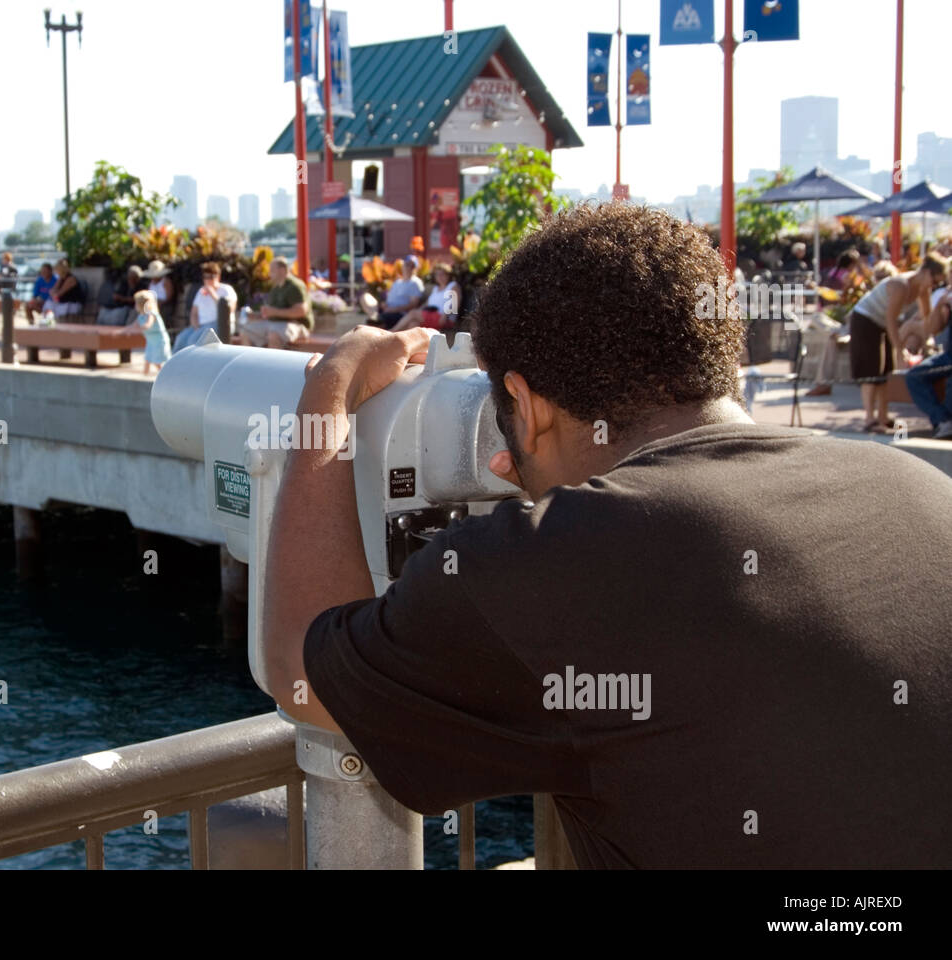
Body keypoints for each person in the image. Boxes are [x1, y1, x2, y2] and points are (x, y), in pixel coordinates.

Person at [262, 201, 952, 868]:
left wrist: (331, 386)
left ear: (526, 409)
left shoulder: (567, 561)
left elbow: (303, 672)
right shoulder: (921, 488)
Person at [848, 252, 947, 432]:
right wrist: (899, 349)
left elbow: (927, 319)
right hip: (865, 319)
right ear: (926, 272)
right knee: (871, 370)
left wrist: (928, 342)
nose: (934, 285)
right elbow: (891, 320)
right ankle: (870, 419)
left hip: (881, 323)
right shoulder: (901, 285)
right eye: (934, 281)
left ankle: (883, 416)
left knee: (887, 370)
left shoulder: (923, 290)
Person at [905, 291, 952, 438]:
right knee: (914, 376)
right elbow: (932, 329)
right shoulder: (946, 295)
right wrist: (940, 305)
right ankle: (943, 420)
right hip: (948, 356)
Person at [238, 259, 313, 348]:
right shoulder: (276, 288)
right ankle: (251, 361)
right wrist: (257, 315)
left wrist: (274, 312)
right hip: (275, 324)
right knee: (245, 331)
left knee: (274, 335)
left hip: (298, 325)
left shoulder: (295, 285)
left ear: (282, 270)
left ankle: (274, 362)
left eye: (272, 270)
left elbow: (301, 311)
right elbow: (271, 313)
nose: (269, 274)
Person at [173, 262, 236, 351]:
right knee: (180, 339)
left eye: (211, 277)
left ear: (218, 277)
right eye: (206, 277)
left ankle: (194, 364)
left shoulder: (226, 289)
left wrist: (212, 293)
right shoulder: (200, 292)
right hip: (201, 326)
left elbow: (229, 309)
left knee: (193, 341)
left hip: (218, 324)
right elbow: (194, 313)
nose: (208, 280)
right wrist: (195, 326)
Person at [391, 263, 460, 331]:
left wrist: (444, 317)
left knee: (413, 313)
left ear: (448, 275)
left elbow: (454, 304)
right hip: (431, 315)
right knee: (413, 324)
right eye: (437, 274)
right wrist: (419, 310)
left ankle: (391, 332)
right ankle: (396, 340)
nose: (439, 277)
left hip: (443, 318)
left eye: (442, 274)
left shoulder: (453, 286)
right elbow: (427, 303)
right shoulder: (436, 289)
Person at [371, 256, 425, 329]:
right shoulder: (397, 282)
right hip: (388, 310)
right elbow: (389, 298)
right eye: (406, 264)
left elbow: (413, 305)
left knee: (376, 322)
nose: (408, 267)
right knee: (366, 297)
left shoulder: (415, 283)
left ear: (415, 268)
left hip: (400, 314)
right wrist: (385, 304)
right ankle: (374, 316)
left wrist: (393, 309)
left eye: (412, 266)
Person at [127, 289, 170, 374]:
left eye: (136, 303)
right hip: (151, 342)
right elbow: (133, 326)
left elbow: (148, 325)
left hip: (159, 342)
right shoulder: (141, 316)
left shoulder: (151, 314)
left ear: (141, 304)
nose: (135, 305)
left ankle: (165, 376)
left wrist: (138, 330)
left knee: (157, 362)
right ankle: (145, 375)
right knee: (148, 359)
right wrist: (124, 330)